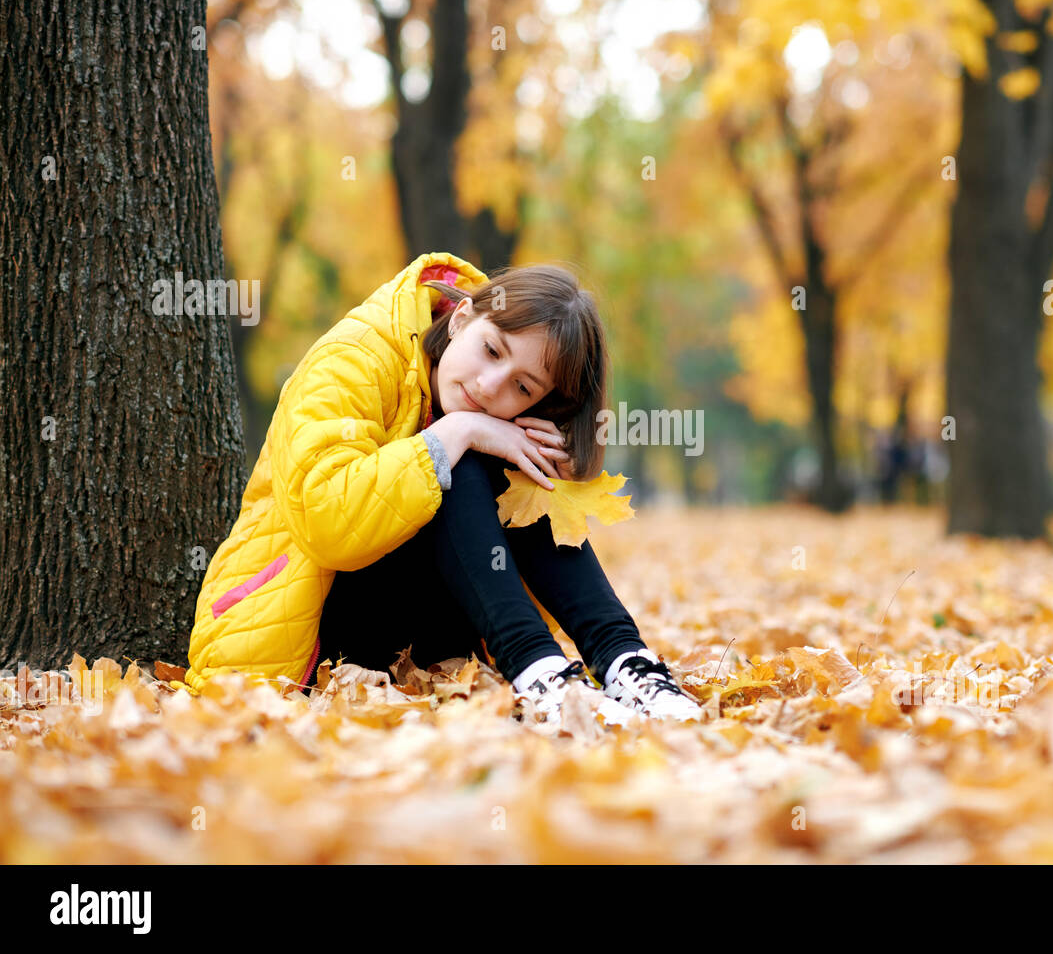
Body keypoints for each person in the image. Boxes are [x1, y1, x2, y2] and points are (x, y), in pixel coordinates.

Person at [182, 251, 701, 726]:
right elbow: (326, 526)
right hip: (308, 627)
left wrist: (536, 460)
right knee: (460, 454)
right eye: (492, 350)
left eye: (524, 387)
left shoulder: (498, 413)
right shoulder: (355, 356)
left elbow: (501, 562)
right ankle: (539, 673)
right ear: (460, 319)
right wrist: (456, 434)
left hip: (425, 637)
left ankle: (625, 661)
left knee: (497, 461)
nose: (490, 385)